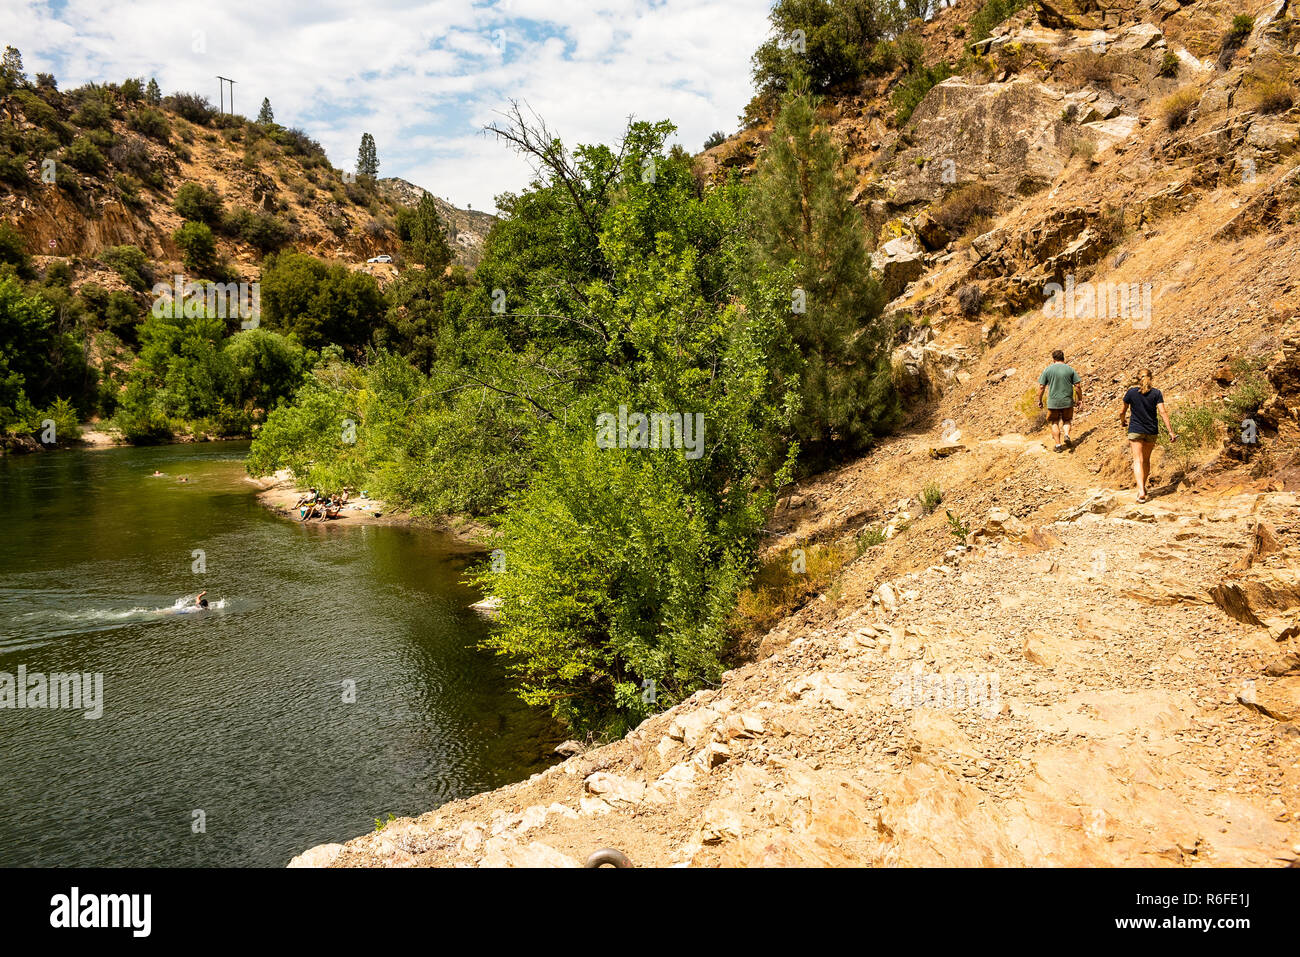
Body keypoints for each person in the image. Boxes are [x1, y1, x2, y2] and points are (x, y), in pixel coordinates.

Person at [1121, 368, 1177, 503]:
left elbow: (1122, 411)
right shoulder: (1156, 393)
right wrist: (1170, 431)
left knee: (1137, 460)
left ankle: (1141, 491)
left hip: (1135, 429)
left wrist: (1123, 421)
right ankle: (1143, 487)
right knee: (1146, 460)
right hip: (1151, 430)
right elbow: (1163, 412)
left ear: (1137, 378)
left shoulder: (1131, 392)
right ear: (1151, 378)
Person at [1037, 349, 1083, 452]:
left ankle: (1058, 446)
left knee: (1055, 422)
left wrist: (1039, 400)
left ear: (1053, 359)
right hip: (1067, 401)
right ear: (1063, 358)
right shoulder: (1070, 369)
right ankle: (1066, 435)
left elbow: (1041, 387)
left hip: (1053, 402)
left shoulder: (1048, 370)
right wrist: (1080, 399)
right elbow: (1078, 386)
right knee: (1067, 420)